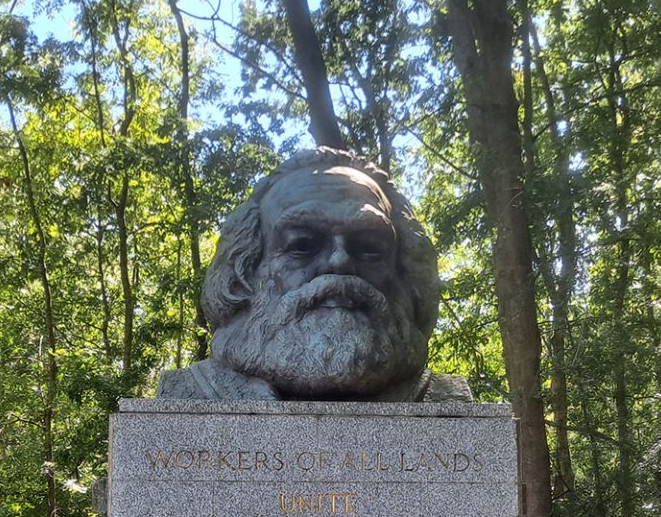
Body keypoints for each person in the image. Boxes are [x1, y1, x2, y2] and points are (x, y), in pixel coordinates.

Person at [157, 148, 472, 403]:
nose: (339, 261)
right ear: (246, 268)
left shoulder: (443, 399)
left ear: (405, 270)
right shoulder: (190, 394)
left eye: (369, 247)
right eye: (303, 245)